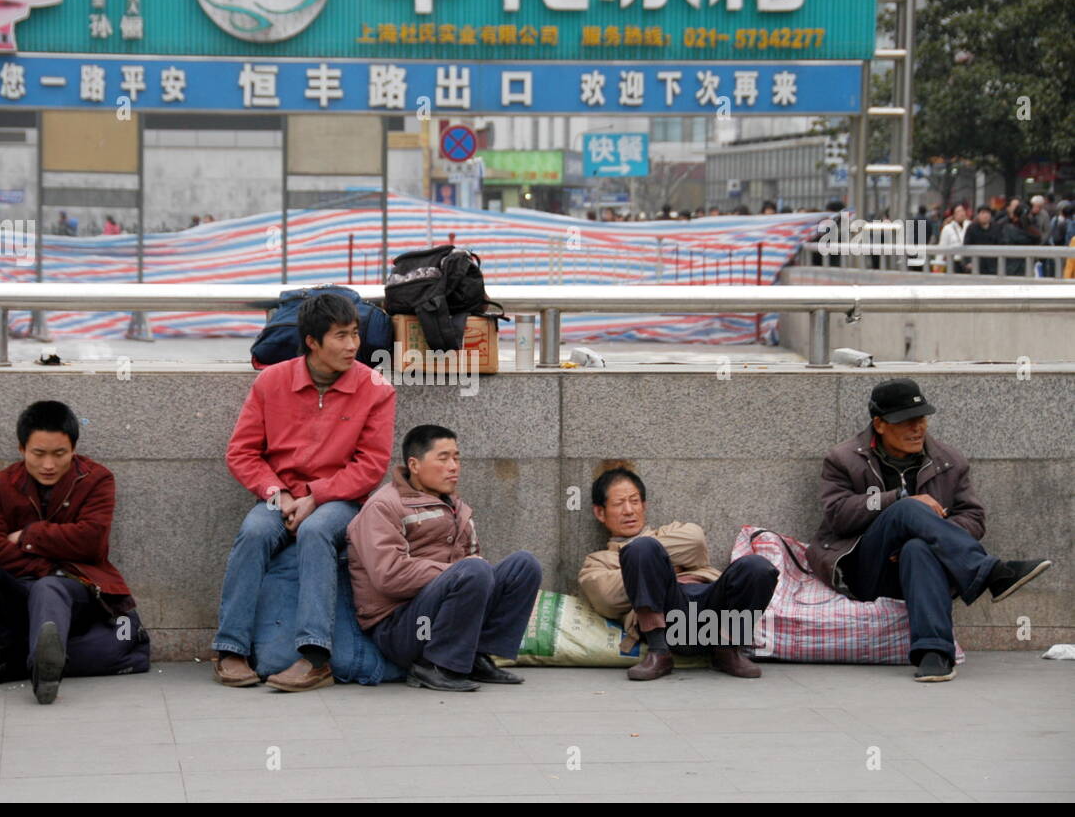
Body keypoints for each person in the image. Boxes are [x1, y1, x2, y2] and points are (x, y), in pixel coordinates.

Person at [806, 379, 1053, 682]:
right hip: (865, 568)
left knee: (917, 547)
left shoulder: (949, 461)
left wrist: (926, 532)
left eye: (921, 419)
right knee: (908, 507)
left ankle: (934, 653)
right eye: (906, 422)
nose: (917, 429)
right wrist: (894, 500)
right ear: (880, 424)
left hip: (921, 569)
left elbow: (973, 518)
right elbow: (838, 515)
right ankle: (989, 571)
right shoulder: (843, 459)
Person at [212, 293, 395, 691]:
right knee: (255, 532)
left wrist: (317, 496)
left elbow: (371, 465)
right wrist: (280, 494)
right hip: (279, 495)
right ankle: (231, 648)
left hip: (341, 500)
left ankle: (315, 658)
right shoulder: (271, 382)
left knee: (315, 531)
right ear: (312, 342)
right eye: (340, 337)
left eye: (355, 335)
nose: (352, 346)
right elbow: (241, 453)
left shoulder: (376, 387)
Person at [0, 401, 150, 704]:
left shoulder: (97, 479)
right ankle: (18, 652)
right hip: (20, 589)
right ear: (22, 449)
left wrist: (27, 536)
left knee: (49, 589)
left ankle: (42, 673)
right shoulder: (0, 484)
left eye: (59, 454)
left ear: (73, 449)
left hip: (78, 590)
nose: (49, 464)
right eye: (39, 454)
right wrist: (52, 561)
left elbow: (91, 542)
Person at [347, 425, 542, 692]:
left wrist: (464, 572)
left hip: (446, 613)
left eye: (457, 458)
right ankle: (433, 666)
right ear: (414, 464)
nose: (454, 467)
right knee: (473, 570)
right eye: (443, 458)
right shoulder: (384, 506)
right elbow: (388, 576)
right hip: (401, 628)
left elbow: (472, 567)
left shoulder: (458, 508)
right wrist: (455, 572)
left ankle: (476, 655)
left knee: (524, 565)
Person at [577, 467, 778, 681]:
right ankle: (659, 653)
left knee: (757, 567)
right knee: (641, 549)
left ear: (644, 506)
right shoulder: (597, 561)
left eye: (634, 501)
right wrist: (650, 568)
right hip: (668, 619)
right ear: (600, 512)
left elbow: (695, 542)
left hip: (714, 607)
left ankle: (727, 649)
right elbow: (607, 599)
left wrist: (656, 560)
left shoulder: (670, 530)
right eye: (619, 504)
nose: (629, 510)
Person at [963, 204, 1000, 274]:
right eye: (983, 213)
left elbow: (1000, 244)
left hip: (992, 265)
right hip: (977, 264)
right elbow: (966, 245)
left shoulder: (996, 228)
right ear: (978, 215)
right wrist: (968, 262)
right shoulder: (972, 228)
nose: (985, 215)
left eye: (987, 213)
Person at [936, 203, 969, 272]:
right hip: (954, 263)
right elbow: (942, 247)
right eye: (958, 211)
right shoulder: (947, 228)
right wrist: (938, 265)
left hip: (968, 263)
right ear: (953, 215)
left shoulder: (970, 226)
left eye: (962, 210)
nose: (961, 213)